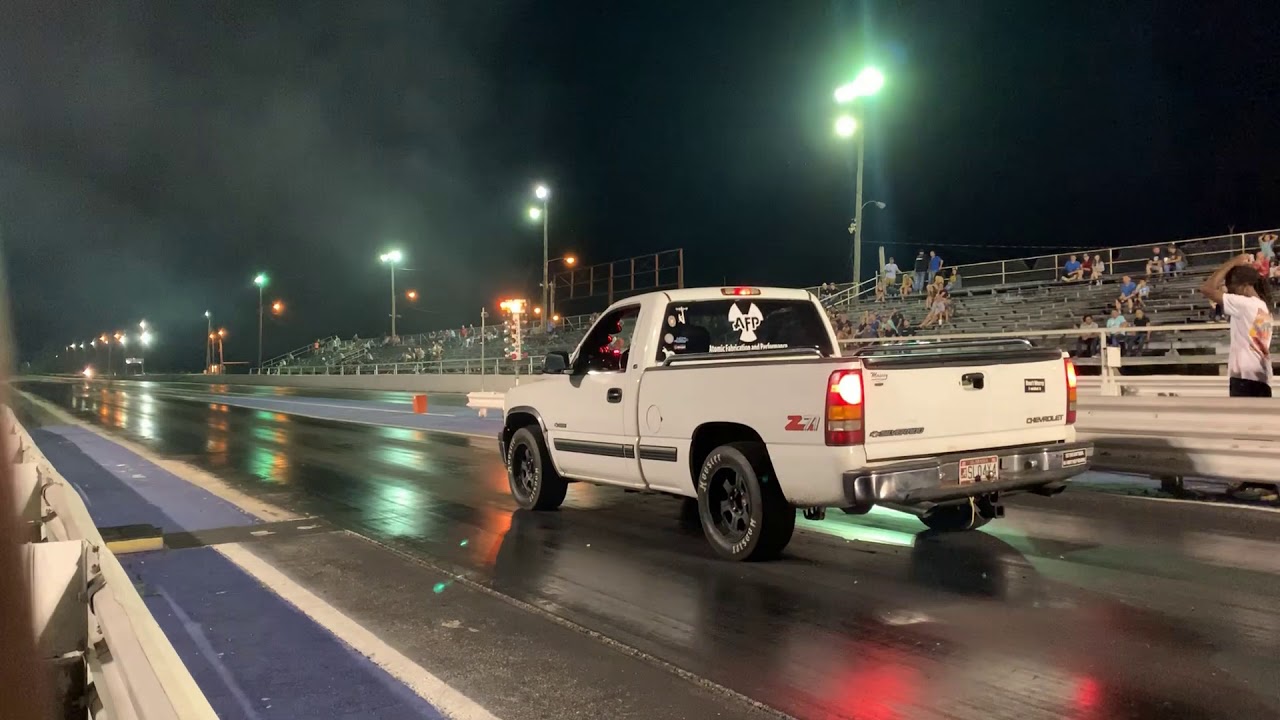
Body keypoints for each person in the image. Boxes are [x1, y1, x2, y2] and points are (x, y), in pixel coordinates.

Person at [1199, 254, 1274, 397]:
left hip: (1244, 377)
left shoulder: (1245, 304)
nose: (1231, 294)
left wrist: (1232, 262)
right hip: (1260, 377)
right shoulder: (1262, 306)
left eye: (1233, 290)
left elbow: (1207, 288)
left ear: (1245, 287)